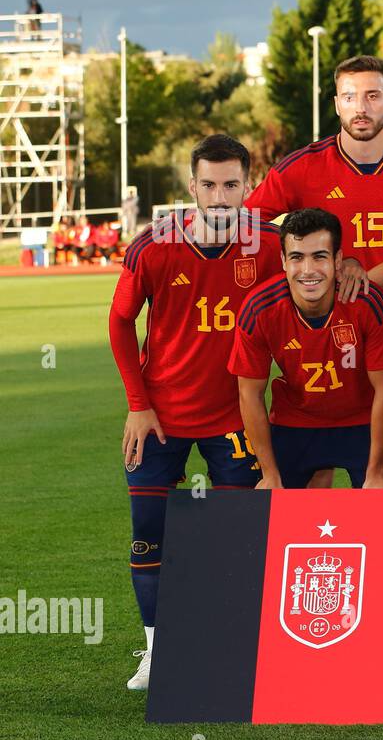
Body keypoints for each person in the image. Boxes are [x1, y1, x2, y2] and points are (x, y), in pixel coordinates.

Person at [108, 135, 291, 691]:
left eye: (231, 184)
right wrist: (138, 406)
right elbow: (119, 323)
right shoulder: (154, 246)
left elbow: (313, 285)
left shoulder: (272, 244)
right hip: (161, 415)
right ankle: (157, 650)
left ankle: (229, 644)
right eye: (208, 184)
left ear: (248, 187)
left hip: (235, 418)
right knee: (149, 535)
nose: (219, 196)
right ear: (192, 188)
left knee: (237, 537)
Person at [245, 55, 383, 480]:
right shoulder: (300, 168)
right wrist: (312, 267)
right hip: (318, 348)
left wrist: (366, 278)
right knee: (316, 477)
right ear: (336, 104)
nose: (361, 107)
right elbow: (248, 226)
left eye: (372, 96)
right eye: (350, 97)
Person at [229, 208, 383, 489]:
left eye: (319, 257)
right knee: (272, 513)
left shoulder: (368, 303)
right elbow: (249, 394)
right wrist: (270, 474)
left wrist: (375, 472)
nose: (308, 270)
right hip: (295, 422)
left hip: (363, 420)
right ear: (284, 260)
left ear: (337, 261)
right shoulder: (259, 309)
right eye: (297, 257)